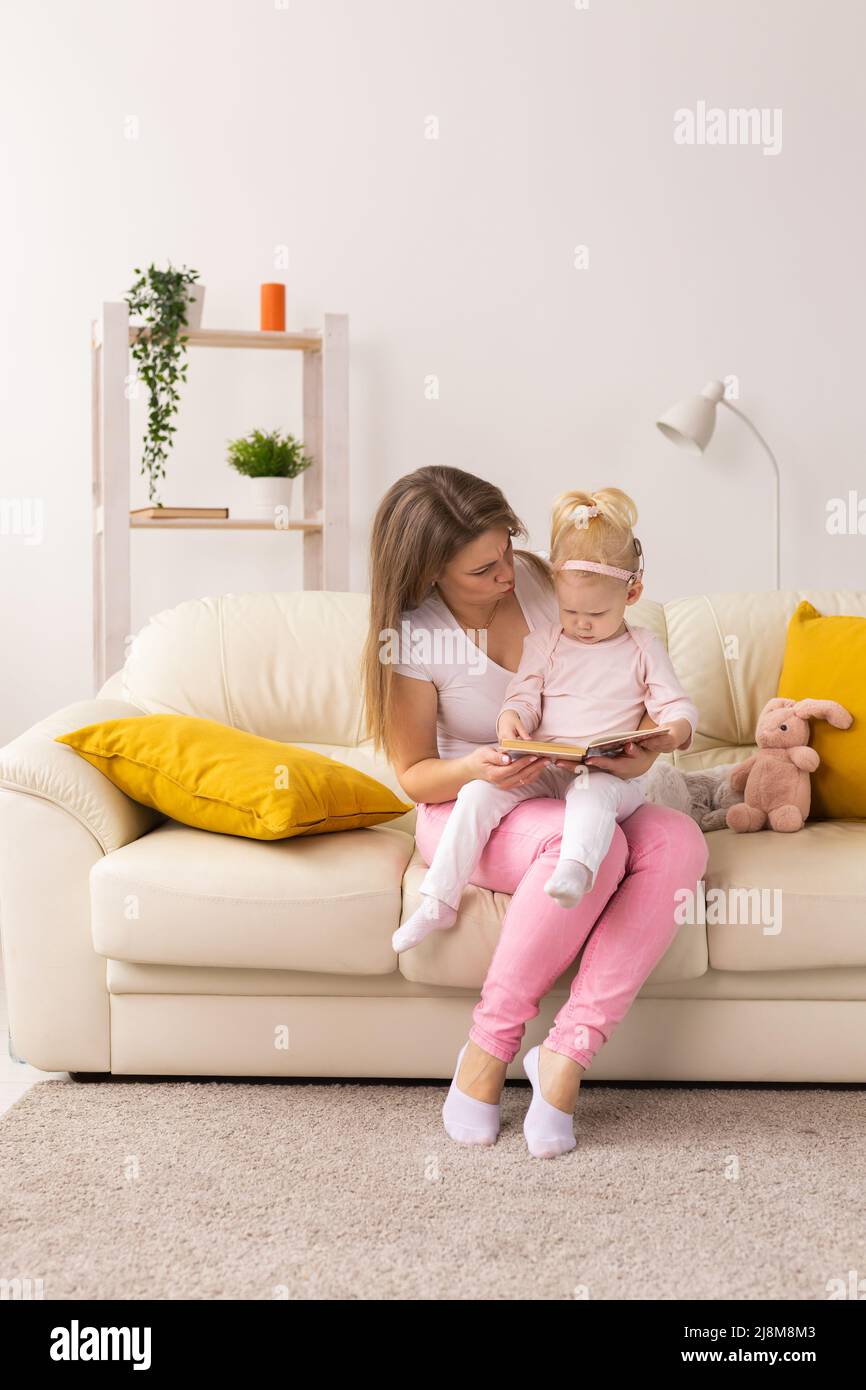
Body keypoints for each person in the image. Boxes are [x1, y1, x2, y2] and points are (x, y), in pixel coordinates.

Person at [361, 467, 708, 1158]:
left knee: (678, 841)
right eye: (483, 569)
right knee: (592, 847)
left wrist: (636, 755)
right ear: (430, 573)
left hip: (579, 786)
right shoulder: (416, 635)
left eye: (508, 549)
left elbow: (632, 690)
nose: (507, 576)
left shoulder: (552, 582)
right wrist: (479, 764)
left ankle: (566, 1056)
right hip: (476, 804)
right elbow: (414, 776)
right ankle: (487, 1049)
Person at [393, 487, 698, 946]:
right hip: (543, 767)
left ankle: (574, 868)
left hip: (602, 776)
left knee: (592, 798)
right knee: (477, 794)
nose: (582, 623)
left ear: (632, 594)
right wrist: (509, 723)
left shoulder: (640, 646)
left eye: (507, 551)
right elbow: (523, 696)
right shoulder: (544, 641)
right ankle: (437, 900)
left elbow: (674, 707)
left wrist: (661, 740)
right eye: (570, 611)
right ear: (434, 572)